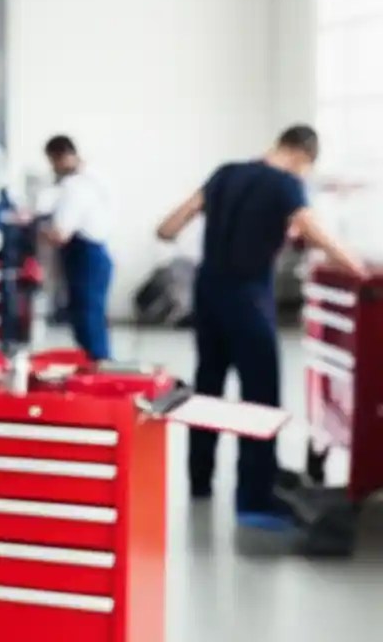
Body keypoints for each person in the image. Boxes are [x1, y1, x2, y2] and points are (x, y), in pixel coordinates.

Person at [156, 124, 366, 528]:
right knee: (260, 397)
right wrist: (358, 268)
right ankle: (253, 496)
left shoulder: (225, 173)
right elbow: (315, 232)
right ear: (304, 157)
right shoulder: (287, 184)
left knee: (208, 388)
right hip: (248, 297)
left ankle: (199, 482)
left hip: (208, 292)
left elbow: (167, 228)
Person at [40, 135, 114, 360]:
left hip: (85, 257)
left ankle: (98, 369)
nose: (53, 168)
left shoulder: (74, 186)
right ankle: (99, 364)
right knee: (92, 316)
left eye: (53, 162)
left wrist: (37, 230)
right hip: (95, 255)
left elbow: (60, 234)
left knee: (87, 318)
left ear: (60, 156)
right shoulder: (94, 178)